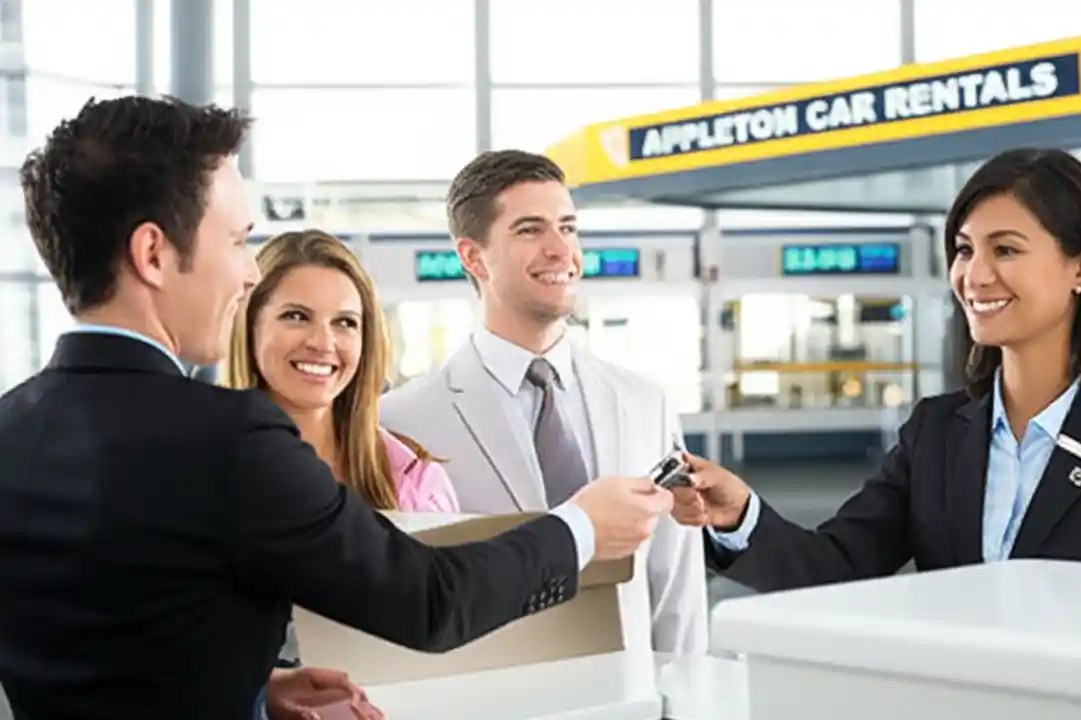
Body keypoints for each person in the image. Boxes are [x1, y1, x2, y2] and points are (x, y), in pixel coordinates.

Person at [0, 96, 672, 720]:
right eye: (236, 241)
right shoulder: (228, 438)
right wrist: (581, 528)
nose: (248, 272)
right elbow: (429, 601)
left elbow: (112, 641)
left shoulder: (12, 426)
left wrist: (249, 691)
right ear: (152, 253)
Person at [670, 147, 1081, 593]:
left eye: (1005, 250)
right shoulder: (936, 434)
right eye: (964, 250)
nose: (975, 275)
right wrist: (740, 513)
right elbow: (834, 569)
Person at [381, 149, 709, 655]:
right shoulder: (402, 422)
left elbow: (675, 592)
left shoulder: (646, 403)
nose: (561, 250)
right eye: (530, 230)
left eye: (569, 227)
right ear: (473, 256)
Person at [226, 229, 458, 513]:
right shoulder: (195, 470)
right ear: (249, 326)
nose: (323, 343)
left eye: (345, 322)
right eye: (296, 317)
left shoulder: (416, 485)